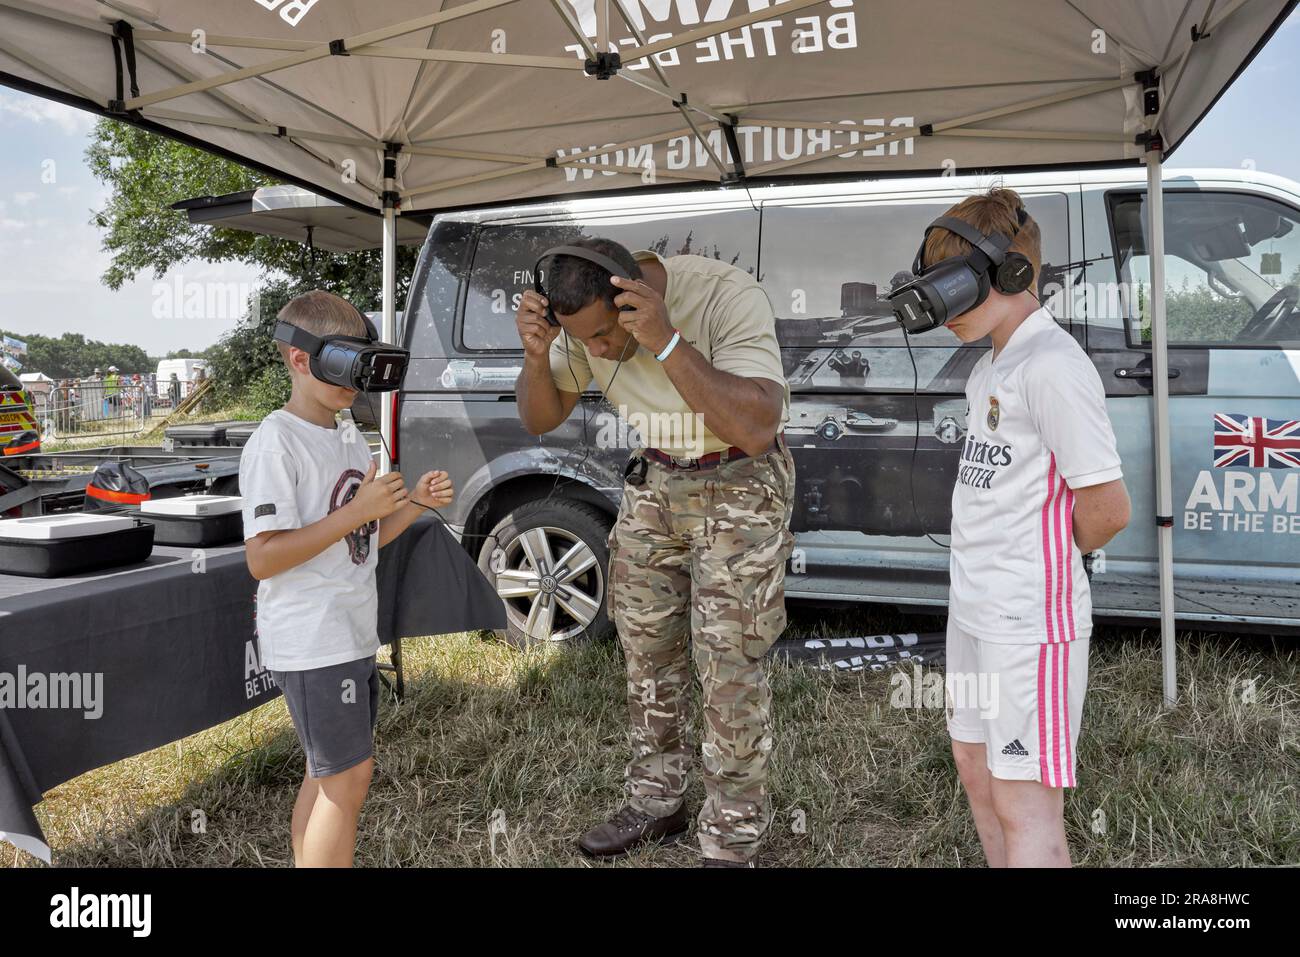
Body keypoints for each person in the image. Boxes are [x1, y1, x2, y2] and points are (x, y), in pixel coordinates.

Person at [513, 238, 794, 867]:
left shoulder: (725, 296)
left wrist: (666, 341)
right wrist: (537, 359)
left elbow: (756, 425)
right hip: (657, 479)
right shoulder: (584, 322)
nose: (600, 351)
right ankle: (657, 799)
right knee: (646, 647)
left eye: (608, 335)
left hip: (739, 475)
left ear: (632, 295)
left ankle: (733, 834)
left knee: (729, 657)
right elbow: (540, 418)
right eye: (583, 341)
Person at [920, 188, 1131, 867]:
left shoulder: (1054, 367)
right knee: (977, 769)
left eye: (953, 290)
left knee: (1025, 800)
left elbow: (1108, 507)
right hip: (975, 612)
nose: (941, 311)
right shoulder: (989, 366)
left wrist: (1031, 568)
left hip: (1027, 624)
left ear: (1013, 274)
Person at [238, 290, 455, 867]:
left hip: (349, 632)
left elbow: (360, 542)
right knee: (349, 778)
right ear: (300, 360)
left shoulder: (345, 436)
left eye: (364, 366)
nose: (354, 383)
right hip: (312, 639)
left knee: (328, 771)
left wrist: (409, 506)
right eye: (343, 366)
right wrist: (356, 511)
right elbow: (263, 558)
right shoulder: (276, 442)